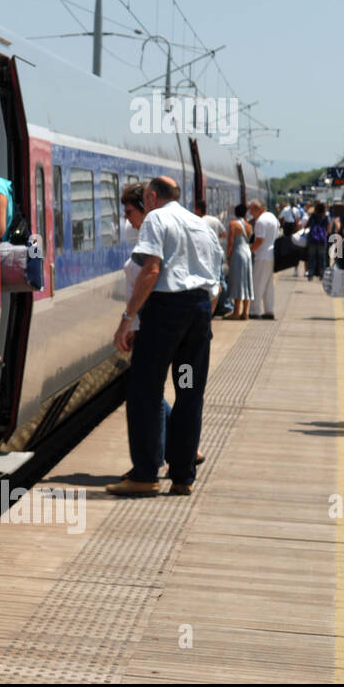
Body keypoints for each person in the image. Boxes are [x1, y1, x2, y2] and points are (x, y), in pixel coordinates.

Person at [107, 176, 222, 496]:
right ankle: (183, 476)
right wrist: (202, 322)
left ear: (153, 196)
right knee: (188, 392)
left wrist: (127, 320)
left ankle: (145, 474)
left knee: (146, 390)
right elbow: (215, 285)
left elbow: (152, 270)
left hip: (164, 314)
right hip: (198, 315)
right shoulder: (201, 226)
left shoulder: (157, 218)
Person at [195, 199, 230, 316]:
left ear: (197, 209)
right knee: (221, 280)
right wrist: (214, 237)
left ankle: (213, 306)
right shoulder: (215, 220)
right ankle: (224, 304)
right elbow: (224, 234)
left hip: (206, 254)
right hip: (218, 252)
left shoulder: (199, 221)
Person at [249, 199, 279, 318]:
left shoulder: (261, 221)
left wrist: (249, 250)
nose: (251, 213)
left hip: (262, 256)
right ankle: (269, 310)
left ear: (258, 209)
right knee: (268, 285)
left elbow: (259, 240)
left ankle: (254, 311)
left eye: (251, 210)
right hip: (272, 255)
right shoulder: (272, 217)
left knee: (257, 283)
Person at [226, 204, 253, 320]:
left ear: (235, 213)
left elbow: (231, 242)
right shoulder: (249, 226)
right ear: (245, 214)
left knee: (238, 281)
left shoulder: (233, 224)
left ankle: (236, 312)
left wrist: (228, 256)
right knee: (247, 282)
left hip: (237, 253)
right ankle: (245, 313)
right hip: (247, 253)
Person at [306, 202, 330, 280]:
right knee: (322, 259)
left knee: (311, 258)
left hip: (312, 240)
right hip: (322, 240)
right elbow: (328, 229)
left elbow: (307, 225)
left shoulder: (312, 216)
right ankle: (322, 275)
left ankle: (310, 275)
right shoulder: (325, 217)